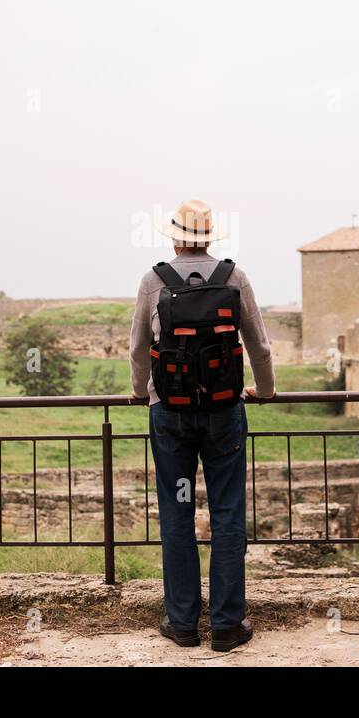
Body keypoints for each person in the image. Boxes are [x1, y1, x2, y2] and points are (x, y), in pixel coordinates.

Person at [129, 198, 277, 652]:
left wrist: (141, 392)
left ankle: (183, 624)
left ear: (174, 237)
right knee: (228, 513)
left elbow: (138, 349)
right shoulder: (235, 277)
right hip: (224, 412)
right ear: (210, 236)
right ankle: (228, 626)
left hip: (170, 413)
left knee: (177, 513)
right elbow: (259, 347)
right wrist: (265, 391)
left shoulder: (154, 280)